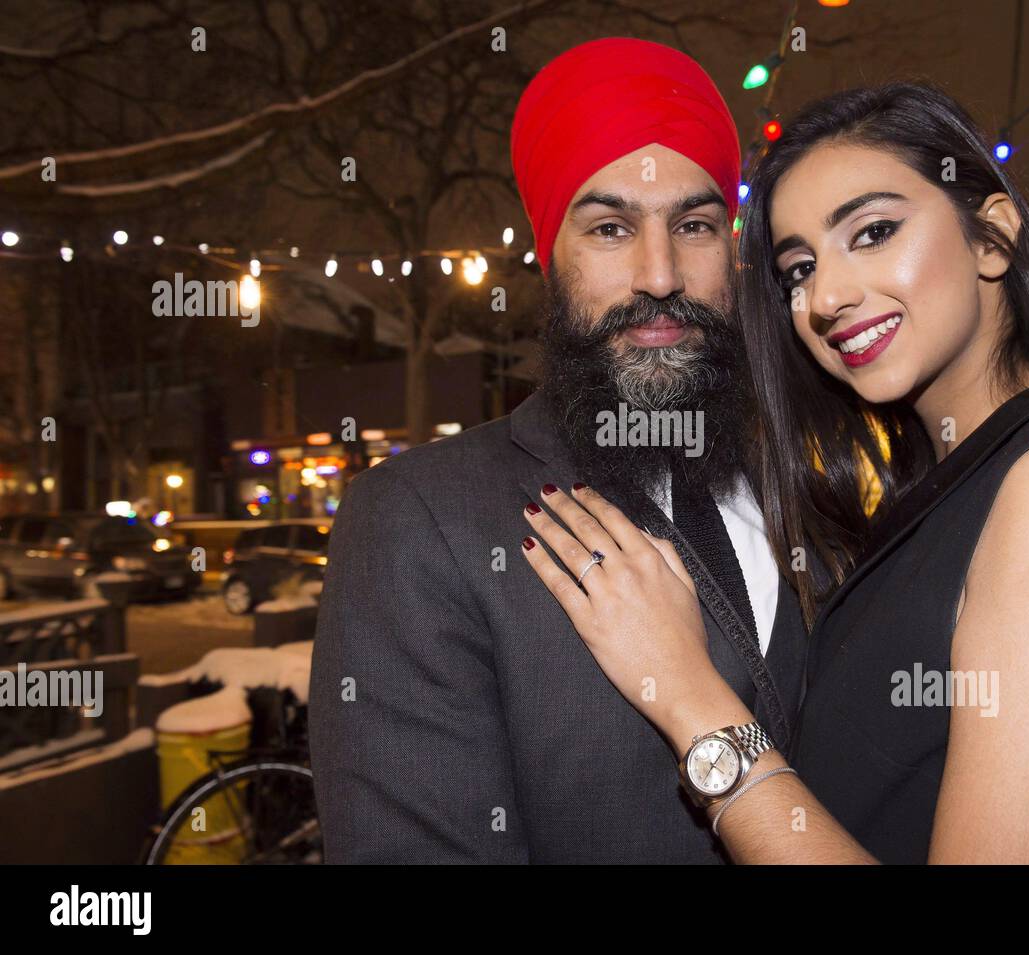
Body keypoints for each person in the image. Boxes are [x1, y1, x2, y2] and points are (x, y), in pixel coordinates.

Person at [518, 82, 1029, 864]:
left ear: (992, 239)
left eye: (873, 231)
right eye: (797, 268)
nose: (826, 297)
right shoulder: (938, 493)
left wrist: (689, 693)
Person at [308, 37, 807, 863]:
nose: (659, 274)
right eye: (611, 227)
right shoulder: (419, 519)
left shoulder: (806, 483)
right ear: (551, 258)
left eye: (694, 224)